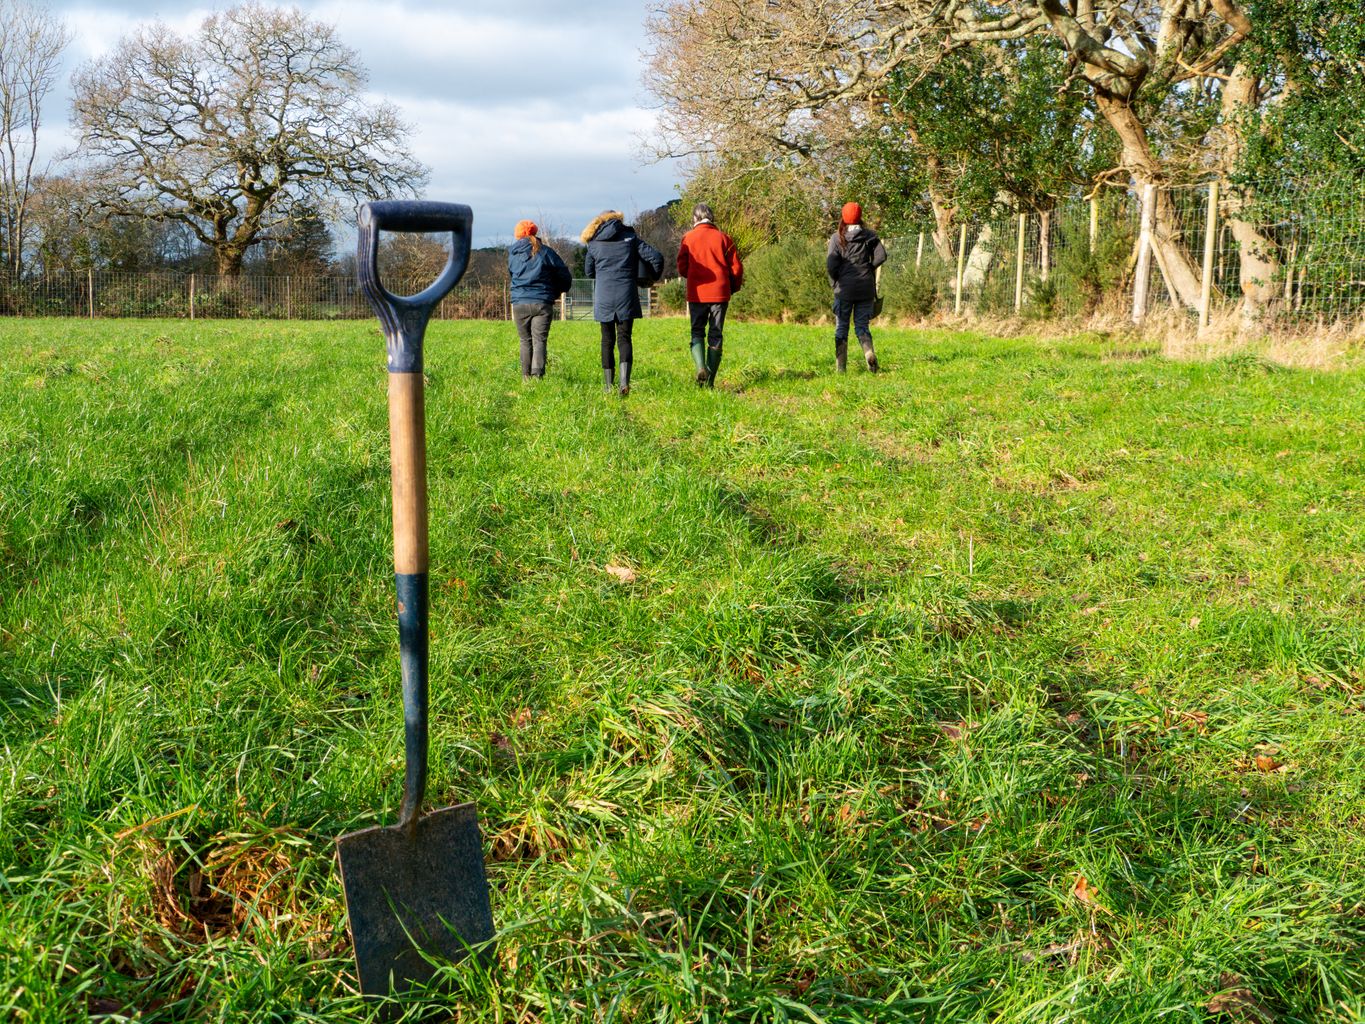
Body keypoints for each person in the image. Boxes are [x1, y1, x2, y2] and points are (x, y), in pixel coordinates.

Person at [581, 210, 664, 397]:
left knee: (607, 340)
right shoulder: (630, 238)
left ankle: (608, 386)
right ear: (619, 221)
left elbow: (588, 272)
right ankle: (624, 383)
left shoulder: (593, 243)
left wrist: (603, 275)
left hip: (604, 296)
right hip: (626, 295)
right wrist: (650, 278)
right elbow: (656, 258)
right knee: (624, 338)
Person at [676, 203, 743, 388]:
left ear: (695, 218)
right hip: (720, 293)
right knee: (716, 334)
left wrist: (693, 276)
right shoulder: (724, 238)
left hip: (697, 293)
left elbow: (682, 267)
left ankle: (700, 367)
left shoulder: (687, 238)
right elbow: (736, 268)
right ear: (711, 218)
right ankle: (710, 383)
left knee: (697, 331)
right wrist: (732, 288)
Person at [827, 202, 887, 373]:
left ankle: (841, 369)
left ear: (843, 217)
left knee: (841, 328)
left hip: (844, 290)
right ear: (860, 216)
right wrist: (868, 267)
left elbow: (831, 265)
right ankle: (869, 353)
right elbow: (882, 256)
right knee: (862, 326)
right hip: (865, 288)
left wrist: (835, 283)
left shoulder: (837, 238)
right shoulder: (869, 236)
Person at [508, 220, 572, 380]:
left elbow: (512, 275)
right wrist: (557, 291)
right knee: (539, 340)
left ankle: (525, 376)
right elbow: (564, 275)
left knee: (525, 340)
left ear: (518, 235)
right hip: (542, 302)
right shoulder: (546, 252)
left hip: (519, 302)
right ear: (534, 233)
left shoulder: (513, 254)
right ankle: (538, 376)